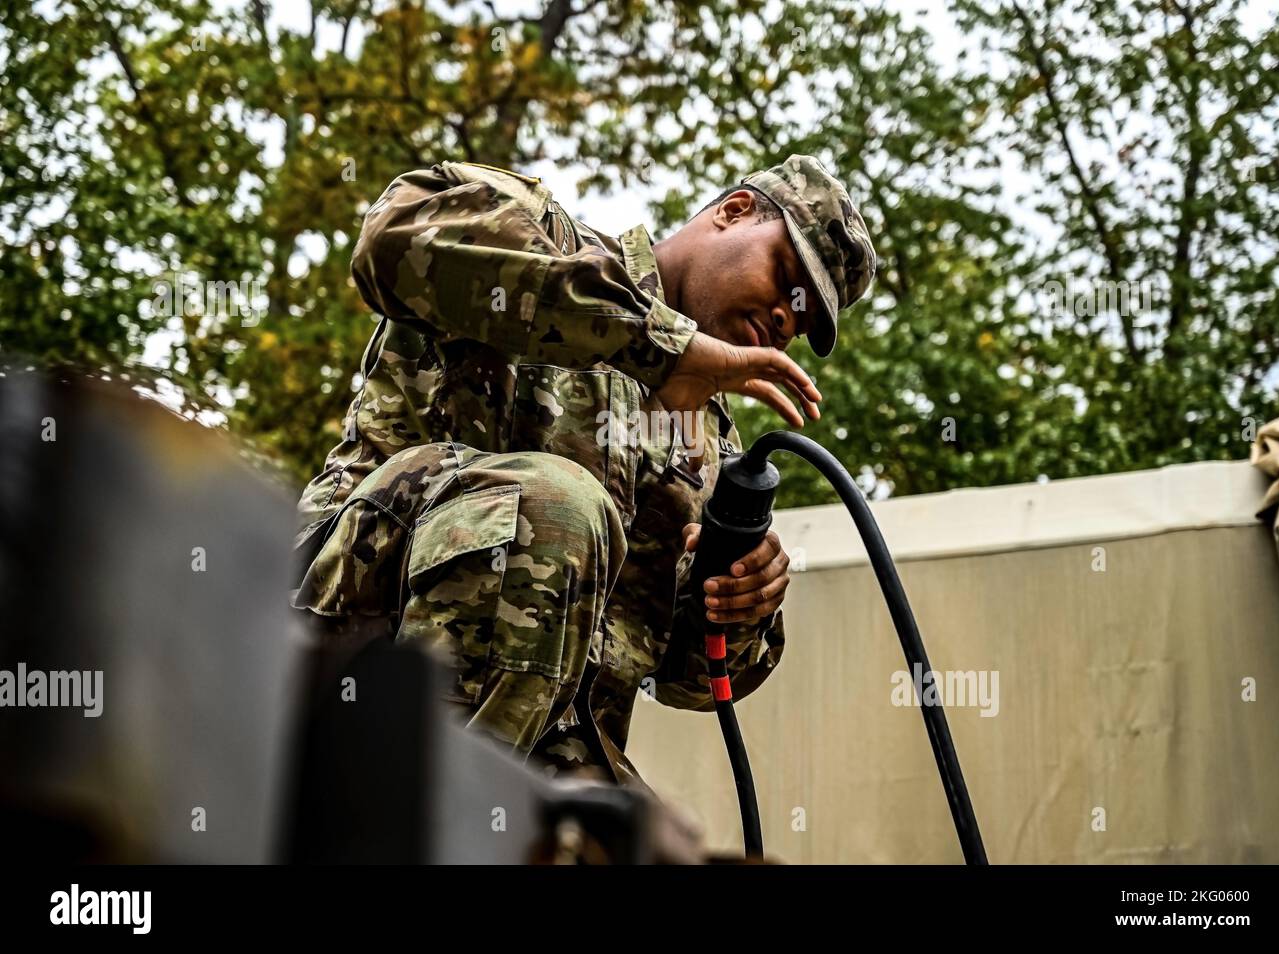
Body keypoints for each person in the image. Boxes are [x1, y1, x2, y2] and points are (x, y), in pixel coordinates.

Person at [291, 154, 876, 786]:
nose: (788, 318)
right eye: (787, 277)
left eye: (805, 321)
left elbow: (682, 679)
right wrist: (652, 342)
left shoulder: (710, 447)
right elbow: (394, 237)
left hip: (546, 748)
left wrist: (738, 608)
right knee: (555, 506)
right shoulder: (545, 237)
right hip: (348, 643)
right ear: (733, 213)